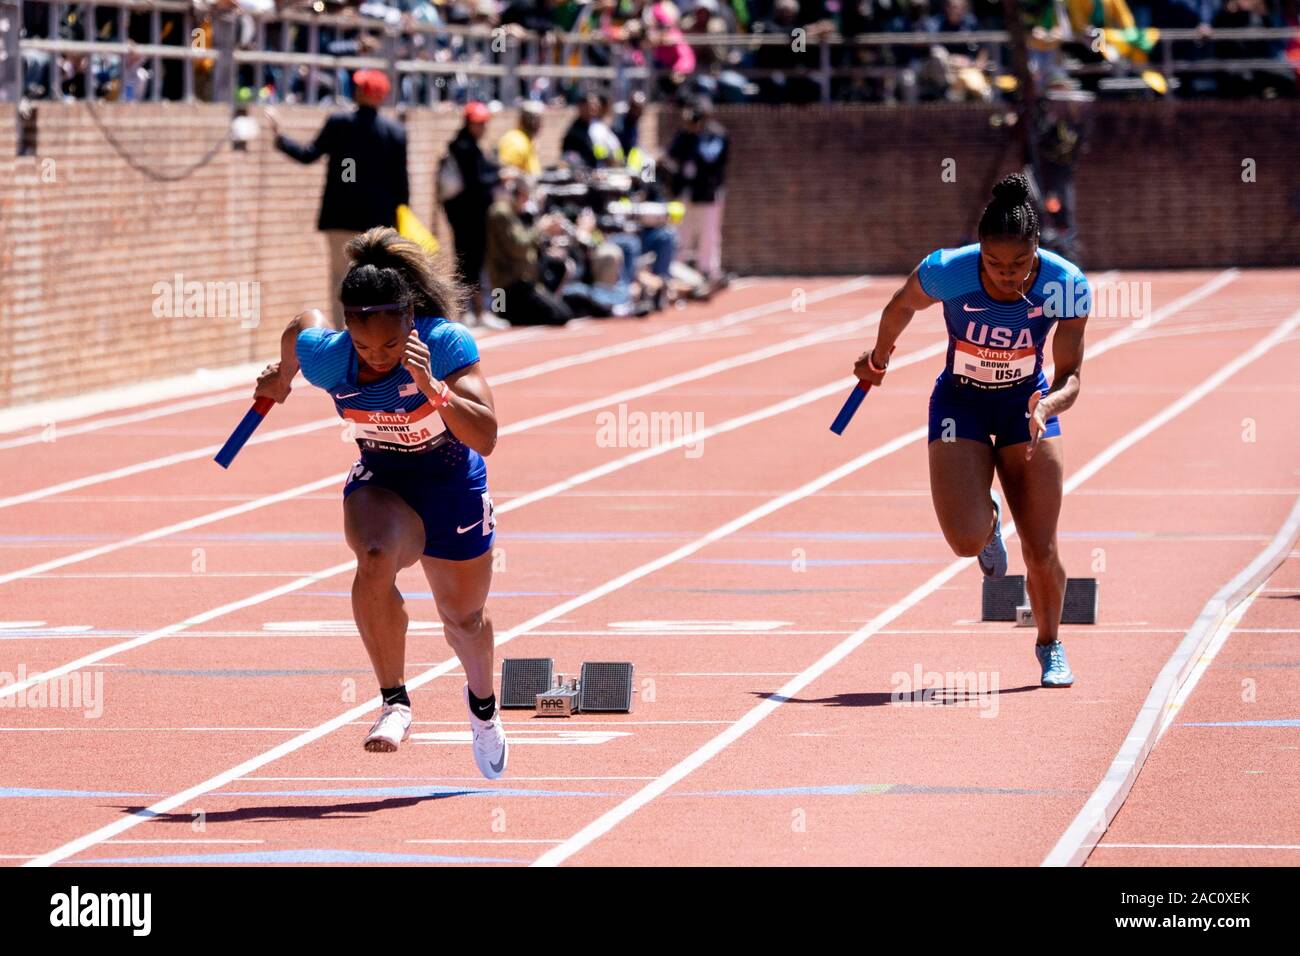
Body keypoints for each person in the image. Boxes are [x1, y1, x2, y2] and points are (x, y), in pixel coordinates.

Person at [251, 228, 509, 777]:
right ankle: (394, 701)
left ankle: (483, 709)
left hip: (450, 483)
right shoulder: (328, 358)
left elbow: (485, 436)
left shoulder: (445, 344)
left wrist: (431, 385)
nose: (377, 358)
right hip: (383, 482)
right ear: (348, 333)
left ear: (411, 321)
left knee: (464, 619)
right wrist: (282, 378)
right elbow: (301, 327)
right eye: (365, 348)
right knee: (372, 556)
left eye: (390, 346)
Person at [850, 173, 1091, 688]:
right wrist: (878, 358)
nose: (1007, 276)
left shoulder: (1064, 284)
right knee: (963, 540)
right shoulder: (948, 271)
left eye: (1019, 265)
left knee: (1040, 546)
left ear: (1036, 252)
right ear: (978, 251)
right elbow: (900, 308)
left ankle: (1050, 644)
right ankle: (986, 526)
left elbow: (1073, 377)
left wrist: (1048, 405)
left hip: (1027, 409)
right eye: (995, 264)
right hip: (961, 403)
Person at [268, 70, 409, 328]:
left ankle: (345, 335)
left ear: (359, 92)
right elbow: (401, 185)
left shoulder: (339, 122)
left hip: (340, 217)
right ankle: (375, 331)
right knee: (377, 279)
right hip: (378, 221)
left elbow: (308, 154)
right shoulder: (395, 131)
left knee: (341, 278)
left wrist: (280, 137)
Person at [442, 101, 502, 325]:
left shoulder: (472, 146)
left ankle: (479, 311)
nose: (483, 127)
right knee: (468, 262)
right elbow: (475, 181)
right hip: (466, 215)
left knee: (474, 262)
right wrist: (499, 177)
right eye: (479, 123)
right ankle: (468, 311)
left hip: (473, 214)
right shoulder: (463, 147)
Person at [485, 177, 574, 326]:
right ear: (517, 194)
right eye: (525, 197)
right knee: (558, 315)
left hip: (523, 284)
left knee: (563, 312)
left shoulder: (514, 214)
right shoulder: (500, 213)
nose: (526, 203)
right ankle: (506, 314)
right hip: (507, 287)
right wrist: (540, 228)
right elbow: (518, 247)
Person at [665, 97, 729, 286]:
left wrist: (696, 136)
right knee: (681, 234)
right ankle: (678, 271)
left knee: (708, 236)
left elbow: (709, 159)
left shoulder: (716, 134)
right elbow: (671, 156)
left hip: (707, 194)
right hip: (685, 192)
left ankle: (707, 271)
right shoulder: (683, 134)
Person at [498, 101, 545, 176]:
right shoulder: (515, 140)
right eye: (530, 118)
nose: (534, 123)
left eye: (537, 119)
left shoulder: (527, 140)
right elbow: (506, 172)